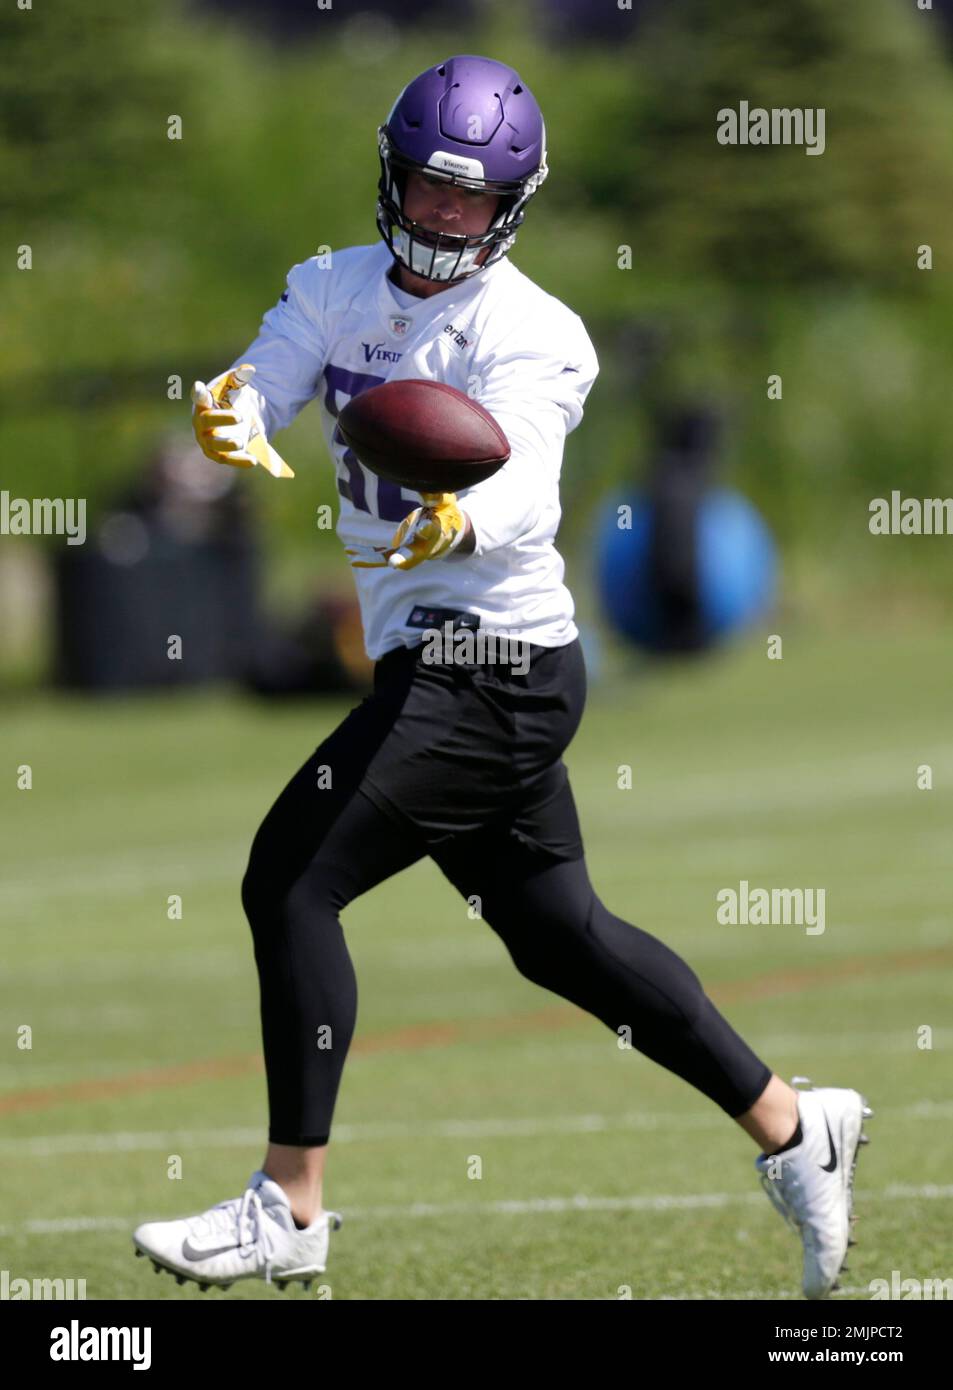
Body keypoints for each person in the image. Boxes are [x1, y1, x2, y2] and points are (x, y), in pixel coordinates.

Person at [132, 55, 871, 1300]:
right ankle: (799, 1128)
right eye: (424, 189)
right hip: (432, 665)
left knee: (291, 878)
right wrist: (229, 428)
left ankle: (289, 1204)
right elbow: (261, 382)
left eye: (468, 203)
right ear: (391, 178)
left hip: (498, 669)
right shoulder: (330, 287)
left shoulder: (536, 330)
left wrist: (463, 522)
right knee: (562, 940)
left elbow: (521, 471)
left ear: (508, 209)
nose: (439, 220)